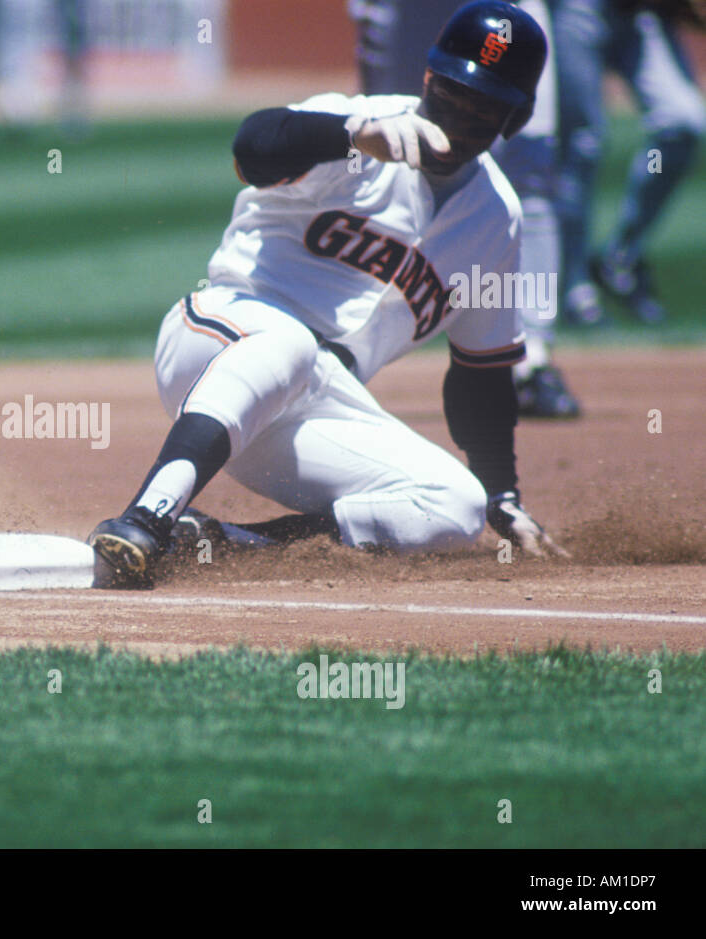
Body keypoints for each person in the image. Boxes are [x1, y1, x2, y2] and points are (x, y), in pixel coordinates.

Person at [87, 0, 569, 589]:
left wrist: (503, 493)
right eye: (451, 93)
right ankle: (146, 518)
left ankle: (221, 543)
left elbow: (481, 370)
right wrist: (351, 135)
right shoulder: (362, 128)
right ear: (426, 78)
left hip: (312, 411)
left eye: (482, 107)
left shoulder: (496, 220)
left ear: (513, 119)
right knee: (289, 342)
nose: (459, 115)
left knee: (452, 506)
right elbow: (254, 146)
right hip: (219, 341)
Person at [350, 0, 581, 417]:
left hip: (515, 9)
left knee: (531, 170)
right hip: (412, 13)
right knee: (394, 142)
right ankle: (341, 353)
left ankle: (530, 358)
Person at [549, 0, 705, 326]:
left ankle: (620, 257)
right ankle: (576, 291)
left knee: (680, 123)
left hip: (640, 14)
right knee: (584, 145)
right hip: (577, 10)